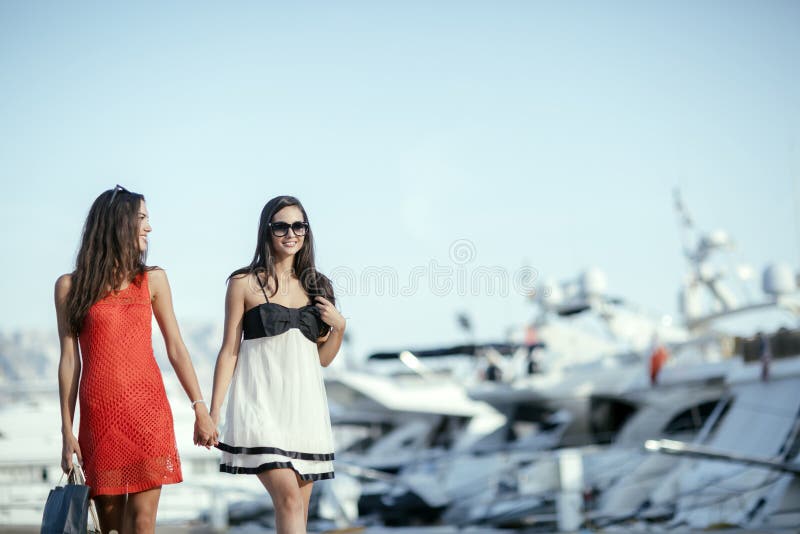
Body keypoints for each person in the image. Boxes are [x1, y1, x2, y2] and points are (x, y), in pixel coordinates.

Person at [55, 185, 217, 534]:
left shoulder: (152, 280)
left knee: (143, 525)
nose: (149, 227)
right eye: (142, 218)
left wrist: (199, 408)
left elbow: (175, 347)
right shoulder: (70, 287)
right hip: (100, 421)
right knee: (112, 529)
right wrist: (67, 430)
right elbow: (70, 361)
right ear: (118, 223)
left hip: (147, 415)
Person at [209, 195, 345, 534]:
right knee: (288, 500)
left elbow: (322, 360)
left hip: (305, 412)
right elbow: (229, 351)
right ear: (266, 231)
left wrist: (339, 328)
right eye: (281, 226)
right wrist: (213, 412)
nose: (291, 233)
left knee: (300, 507)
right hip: (260, 407)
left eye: (298, 225)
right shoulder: (243, 283)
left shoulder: (319, 288)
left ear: (306, 232)